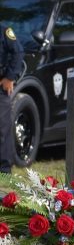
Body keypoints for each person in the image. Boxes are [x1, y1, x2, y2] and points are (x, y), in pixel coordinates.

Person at [0, 23, 24, 174]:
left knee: (2, 128)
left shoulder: (4, 31)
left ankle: (4, 169)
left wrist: (9, 77)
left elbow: (18, 52)